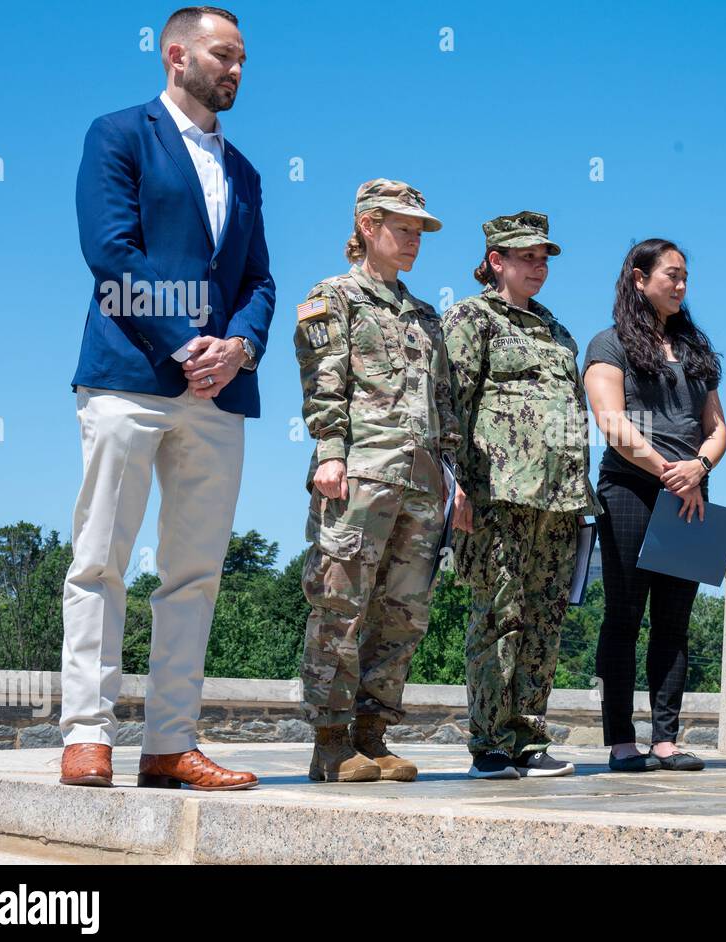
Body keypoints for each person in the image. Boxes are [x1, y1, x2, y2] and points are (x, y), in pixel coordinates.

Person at [59, 6, 273, 790]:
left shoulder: (245, 172)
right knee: (100, 559)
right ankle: (87, 734)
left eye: (244, 59)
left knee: (195, 573)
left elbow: (258, 280)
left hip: (219, 397)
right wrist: (187, 342)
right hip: (129, 378)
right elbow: (110, 250)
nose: (237, 70)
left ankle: (168, 743)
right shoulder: (117, 135)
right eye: (225, 54)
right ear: (175, 55)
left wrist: (241, 346)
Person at [294, 179, 460, 783]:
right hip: (360, 474)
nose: (414, 240)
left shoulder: (424, 315)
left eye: (419, 231)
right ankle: (330, 740)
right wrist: (330, 452)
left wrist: (453, 476)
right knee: (341, 604)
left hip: (420, 483)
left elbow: (442, 405)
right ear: (367, 225)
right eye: (403, 227)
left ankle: (372, 733)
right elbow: (323, 381)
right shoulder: (334, 296)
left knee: (403, 613)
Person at [442, 211, 599, 780]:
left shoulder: (559, 332)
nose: (538, 266)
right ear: (495, 261)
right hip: (497, 495)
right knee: (498, 616)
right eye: (526, 256)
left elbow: (571, 416)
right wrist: (453, 482)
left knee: (545, 621)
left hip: (557, 501)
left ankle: (529, 738)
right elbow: (450, 403)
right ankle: (489, 742)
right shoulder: (470, 318)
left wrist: (578, 489)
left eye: (544, 258)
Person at [583, 239, 725, 773]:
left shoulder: (696, 351)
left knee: (674, 623)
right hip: (630, 489)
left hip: (691, 491)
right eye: (672, 274)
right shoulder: (608, 343)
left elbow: (717, 429)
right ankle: (622, 741)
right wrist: (670, 472)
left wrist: (699, 470)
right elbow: (613, 424)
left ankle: (666, 740)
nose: (682, 284)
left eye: (686, 275)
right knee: (623, 617)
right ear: (639, 279)